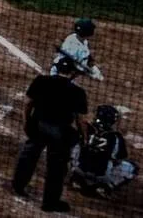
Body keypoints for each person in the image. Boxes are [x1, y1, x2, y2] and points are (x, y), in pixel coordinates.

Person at [12, 54, 87, 213]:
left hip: (38, 125)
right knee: (56, 169)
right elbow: (80, 120)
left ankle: (18, 185)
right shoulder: (78, 92)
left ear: (57, 68)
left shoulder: (41, 81)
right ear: (71, 72)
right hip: (60, 133)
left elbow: (28, 104)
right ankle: (49, 203)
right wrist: (84, 138)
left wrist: (27, 123)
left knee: (29, 156)